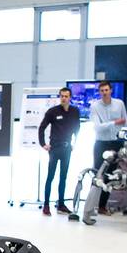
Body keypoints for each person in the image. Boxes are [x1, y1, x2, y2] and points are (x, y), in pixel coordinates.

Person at [38, 87, 79, 216]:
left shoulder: (74, 111)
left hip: (67, 149)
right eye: (62, 96)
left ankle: (61, 204)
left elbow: (78, 128)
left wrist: (74, 143)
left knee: (63, 177)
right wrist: (43, 144)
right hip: (55, 148)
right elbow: (42, 127)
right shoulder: (53, 112)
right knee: (50, 177)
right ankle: (46, 205)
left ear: (70, 97)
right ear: (59, 97)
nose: (64, 98)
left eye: (66, 96)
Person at [88, 81, 127, 167]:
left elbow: (125, 123)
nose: (104, 93)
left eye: (106, 90)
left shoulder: (119, 104)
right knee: (99, 170)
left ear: (111, 90)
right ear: (99, 92)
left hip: (117, 142)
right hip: (101, 143)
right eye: (102, 91)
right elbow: (98, 127)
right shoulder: (94, 106)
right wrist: (115, 122)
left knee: (117, 171)